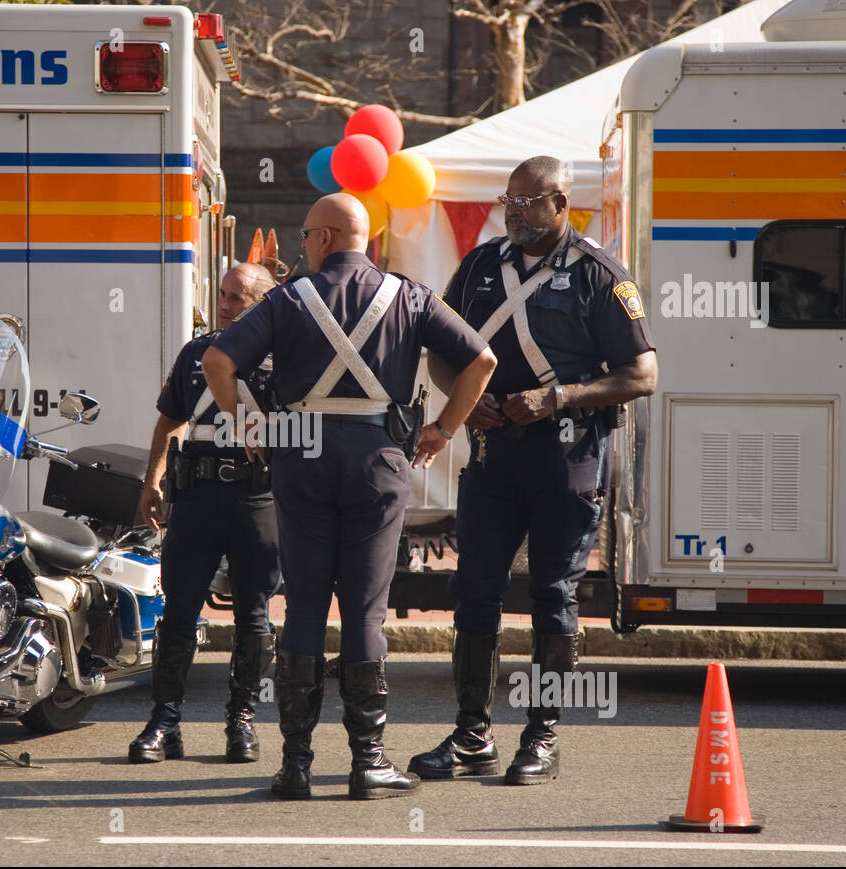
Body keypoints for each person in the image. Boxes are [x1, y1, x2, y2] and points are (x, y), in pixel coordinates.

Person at [204, 194, 496, 800]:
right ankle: (368, 762)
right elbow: (481, 359)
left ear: (328, 238)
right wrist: (445, 428)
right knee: (365, 609)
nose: (303, 244)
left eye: (308, 234)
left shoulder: (288, 299)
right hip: (377, 460)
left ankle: (296, 766)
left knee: (305, 606)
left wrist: (248, 425)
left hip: (299, 456)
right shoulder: (408, 294)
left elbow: (217, 360)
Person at [411, 156, 658, 786]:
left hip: (568, 458)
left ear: (560, 204)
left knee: (553, 596)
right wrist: (466, 406)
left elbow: (642, 375)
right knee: (474, 592)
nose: (512, 212)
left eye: (526, 202)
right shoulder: (480, 266)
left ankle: (541, 737)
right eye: (507, 200)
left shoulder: (599, 274)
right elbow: (441, 352)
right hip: (495, 456)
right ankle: (471, 736)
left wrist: (559, 397)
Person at [127, 263, 281, 764]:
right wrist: (152, 480)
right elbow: (170, 421)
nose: (224, 305)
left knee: (253, 616)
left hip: (256, 500)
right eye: (222, 295)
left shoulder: (288, 360)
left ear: (262, 303)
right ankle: (164, 722)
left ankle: (241, 721)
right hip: (194, 499)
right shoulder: (197, 353)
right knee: (177, 612)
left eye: (237, 298)